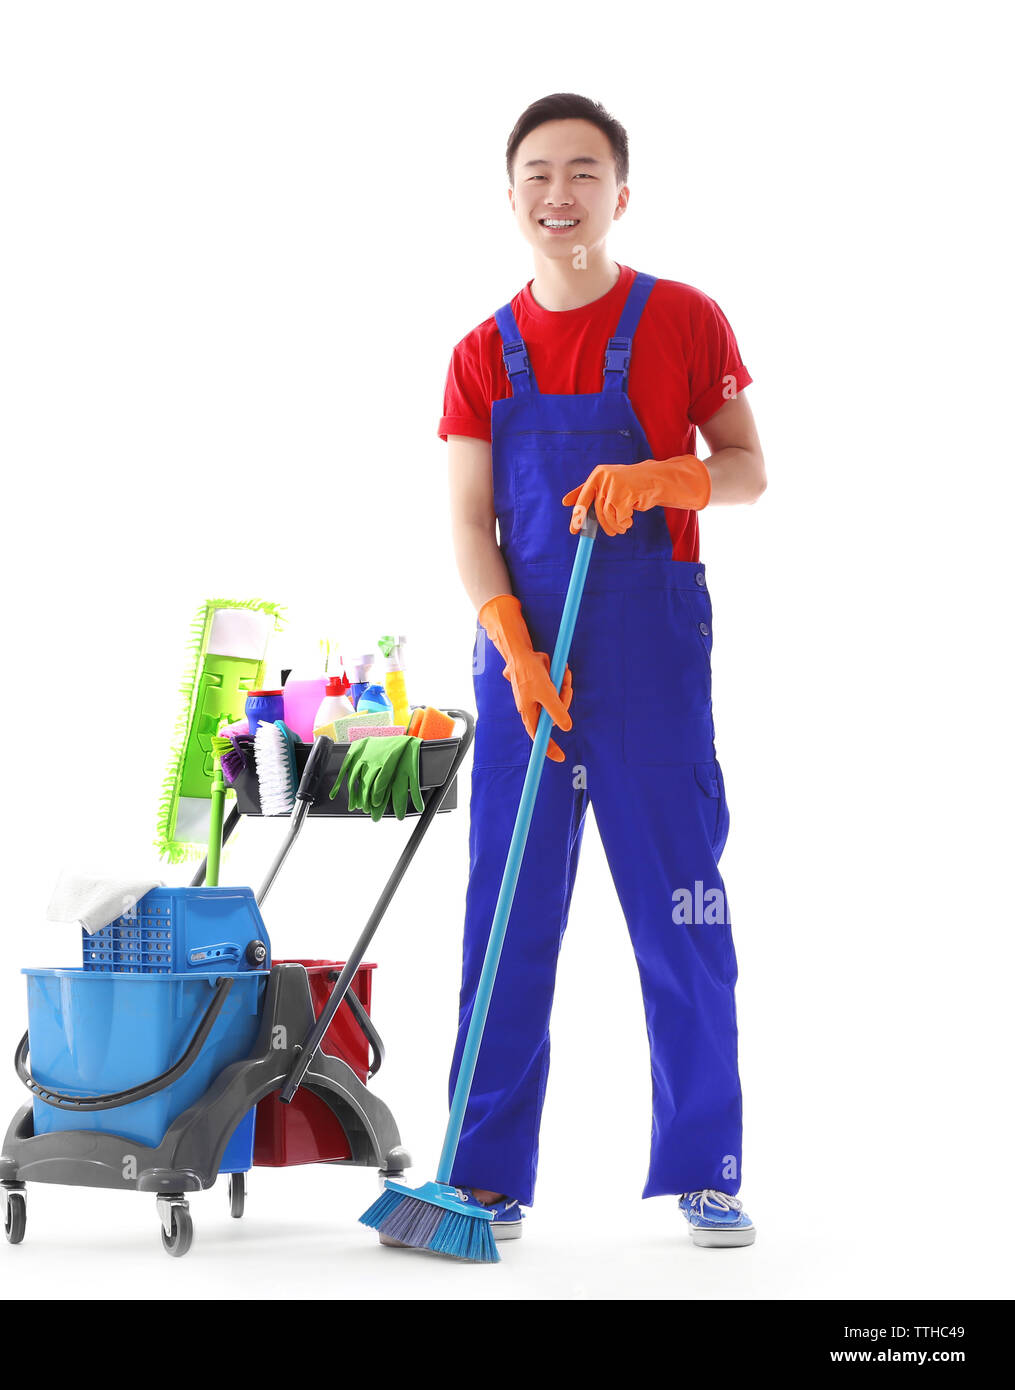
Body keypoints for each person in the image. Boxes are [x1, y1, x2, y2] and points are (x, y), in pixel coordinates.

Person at [439, 93, 765, 1248]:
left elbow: (746, 470)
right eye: (538, 173)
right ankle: (481, 1174)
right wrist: (512, 645)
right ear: (512, 195)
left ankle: (704, 1164)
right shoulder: (482, 353)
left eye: (584, 171)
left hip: (649, 653)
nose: (560, 193)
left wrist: (662, 479)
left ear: (620, 192)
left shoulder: (684, 319)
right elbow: (472, 523)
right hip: (527, 664)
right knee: (507, 912)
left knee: (679, 907)